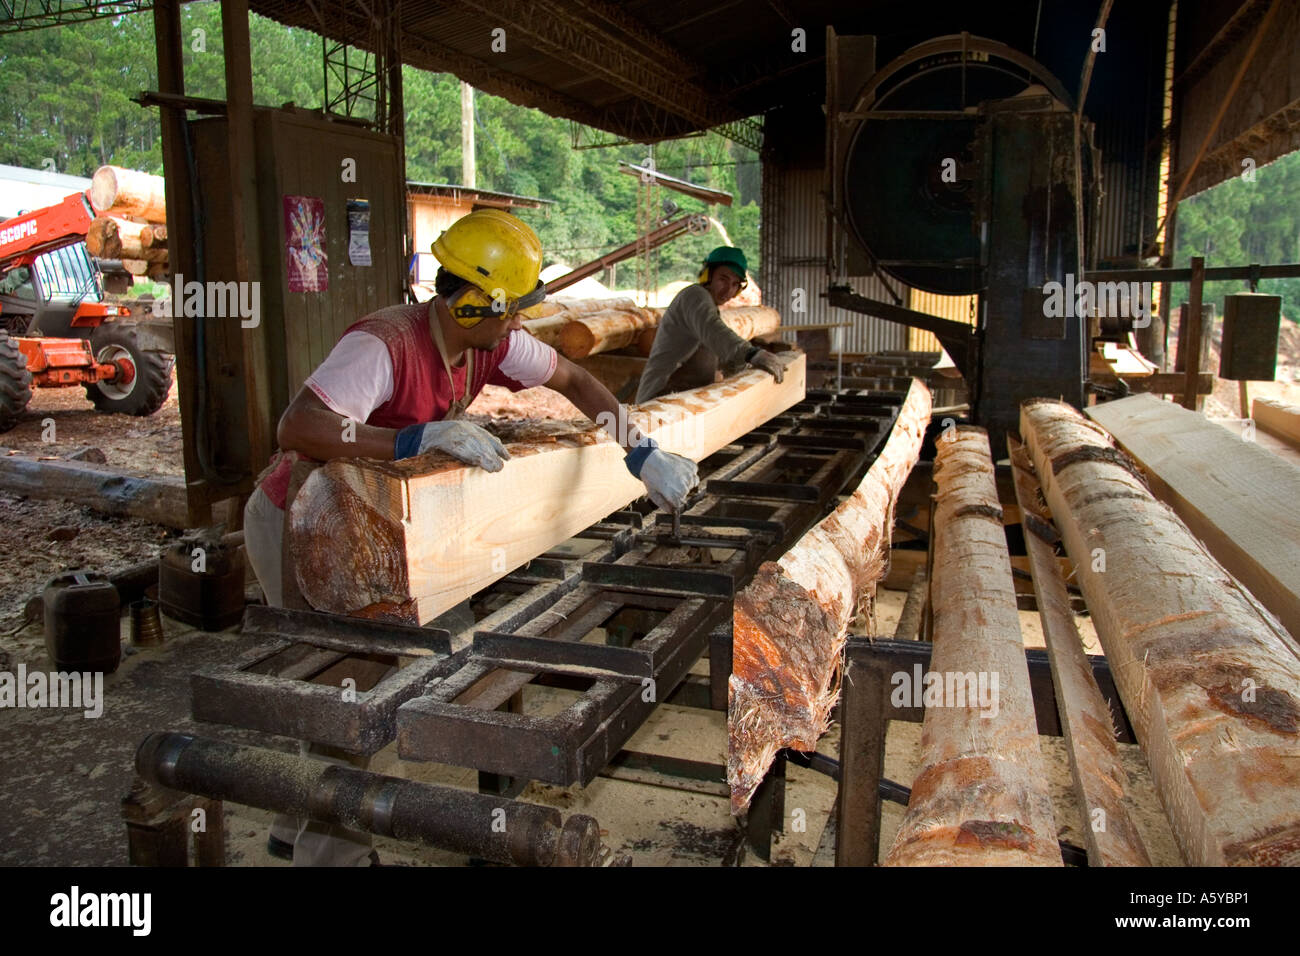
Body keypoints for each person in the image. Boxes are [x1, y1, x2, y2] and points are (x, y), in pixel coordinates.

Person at [242, 208, 698, 865]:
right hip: (305, 522)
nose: (517, 326)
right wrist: (409, 438)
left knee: (347, 678)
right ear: (471, 306)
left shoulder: (489, 340)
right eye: (509, 312)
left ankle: (298, 822)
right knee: (347, 680)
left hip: (376, 523)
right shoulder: (384, 345)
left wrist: (638, 450)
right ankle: (330, 854)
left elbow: (574, 378)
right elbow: (299, 425)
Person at [635, 245, 785, 403]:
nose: (728, 290)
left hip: (682, 401)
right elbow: (714, 331)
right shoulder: (695, 297)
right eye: (723, 279)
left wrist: (739, 371)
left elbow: (714, 348)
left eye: (735, 284)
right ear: (708, 275)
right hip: (657, 401)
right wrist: (751, 353)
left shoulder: (708, 305)